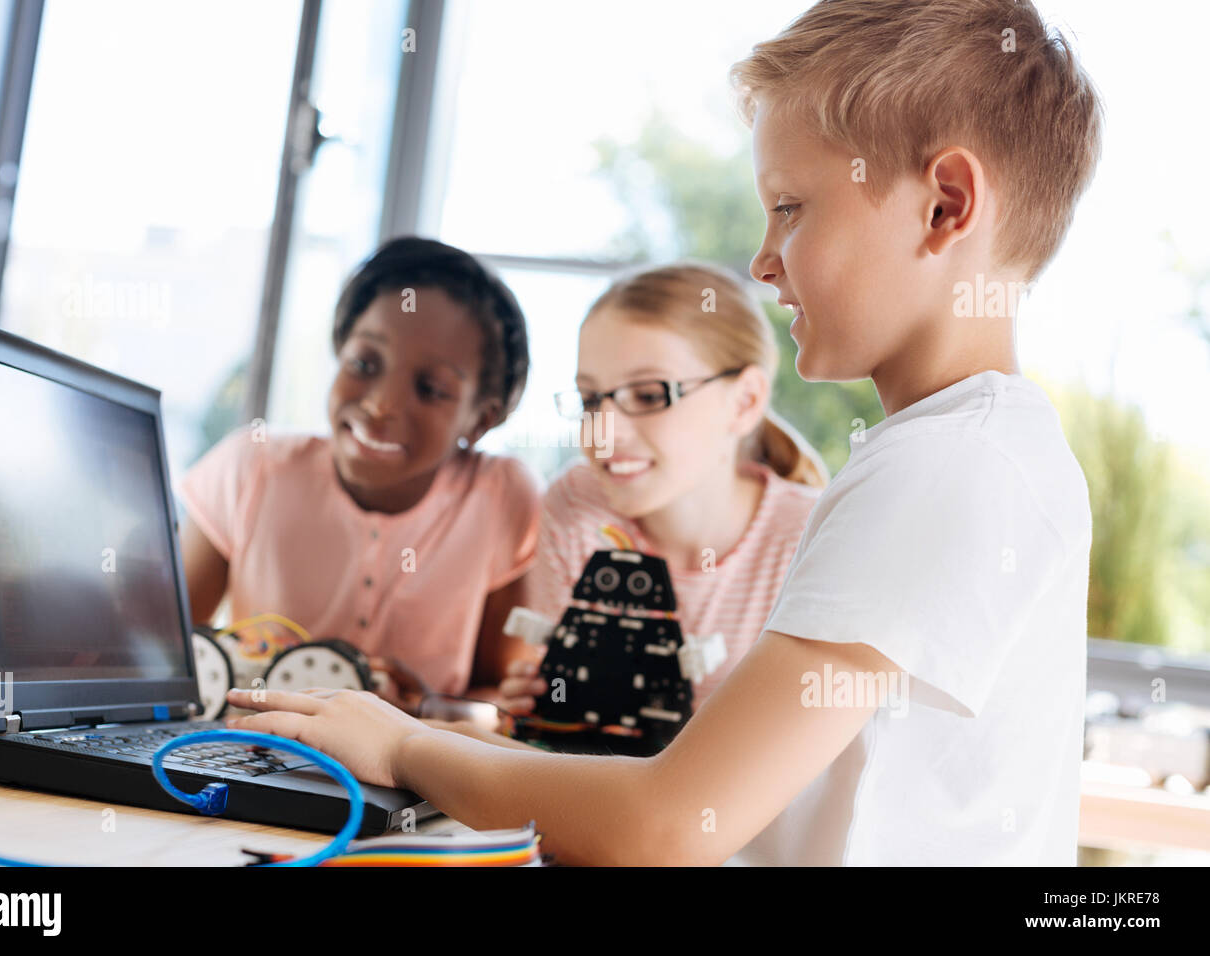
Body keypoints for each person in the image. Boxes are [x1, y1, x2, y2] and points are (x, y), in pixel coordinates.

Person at [225, 0, 1102, 865]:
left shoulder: (948, 465)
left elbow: (671, 826)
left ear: (947, 204)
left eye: (791, 207)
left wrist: (410, 752)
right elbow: (675, 793)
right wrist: (403, 736)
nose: (762, 260)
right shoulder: (975, 451)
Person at [179, 237, 540, 708]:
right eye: (364, 363)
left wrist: (427, 707)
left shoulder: (499, 497)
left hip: (410, 776)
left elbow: (507, 702)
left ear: (481, 419)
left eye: (430, 389)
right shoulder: (253, 467)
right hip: (249, 757)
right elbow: (158, 660)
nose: (380, 403)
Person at [496, 262, 826, 717]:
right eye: (591, 399)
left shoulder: (811, 540)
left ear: (745, 402)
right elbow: (562, 700)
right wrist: (544, 702)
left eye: (650, 396)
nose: (603, 433)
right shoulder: (576, 506)